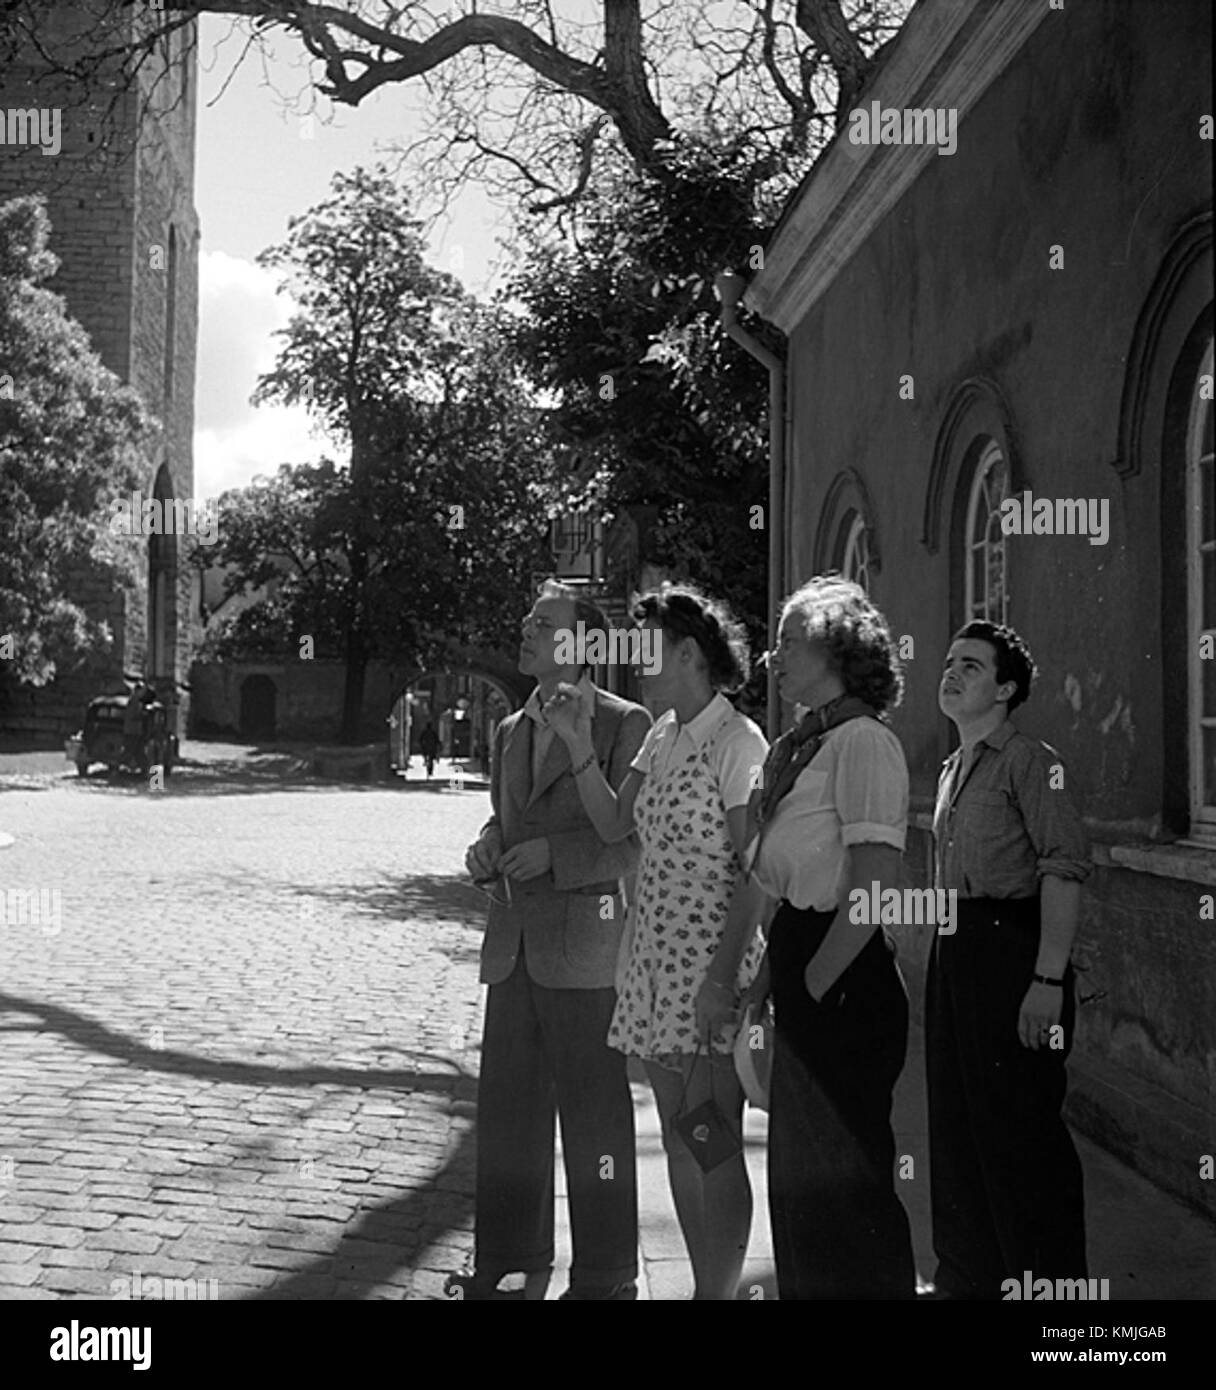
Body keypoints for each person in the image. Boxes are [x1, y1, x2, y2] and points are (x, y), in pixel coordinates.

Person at [544, 583, 769, 1301]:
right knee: (679, 1133)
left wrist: (720, 982)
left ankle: (719, 1293)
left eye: (649, 648)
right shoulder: (662, 734)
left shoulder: (738, 742)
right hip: (652, 962)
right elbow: (617, 828)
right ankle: (707, 1290)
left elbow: (757, 872)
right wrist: (580, 742)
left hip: (709, 963)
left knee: (711, 1133)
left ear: (690, 654)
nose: (636, 662)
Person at [446, 580, 650, 1301]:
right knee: (508, 1110)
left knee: (595, 1115)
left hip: (585, 951)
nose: (525, 629)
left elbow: (631, 846)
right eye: (527, 617)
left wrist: (557, 860)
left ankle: (605, 1272)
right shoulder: (510, 728)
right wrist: (486, 844)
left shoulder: (627, 725)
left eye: (542, 622)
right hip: (511, 948)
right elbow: (505, 820)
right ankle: (508, 1252)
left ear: (583, 645)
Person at [744, 575, 916, 1300]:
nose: (773, 657)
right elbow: (781, 883)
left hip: (843, 979)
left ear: (837, 649)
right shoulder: (804, 745)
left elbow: (873, 885)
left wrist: (813, 987)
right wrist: (764, 988)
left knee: (847, 1188)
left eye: (788, 641)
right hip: (803, 960)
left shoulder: (862, 742)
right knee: (802, 1186)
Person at [927, 620, 1091, 1299]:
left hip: (1013, 953)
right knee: (956, 1135)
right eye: (950, 661)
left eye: (972, 665)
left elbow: (1064, 867)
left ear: (1005, 688)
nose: (953, 672)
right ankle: (970, 1284)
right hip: (954, 954)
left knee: (1020, 1144)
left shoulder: (1030, 759)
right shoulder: (951, 769)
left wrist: (1047, 978)